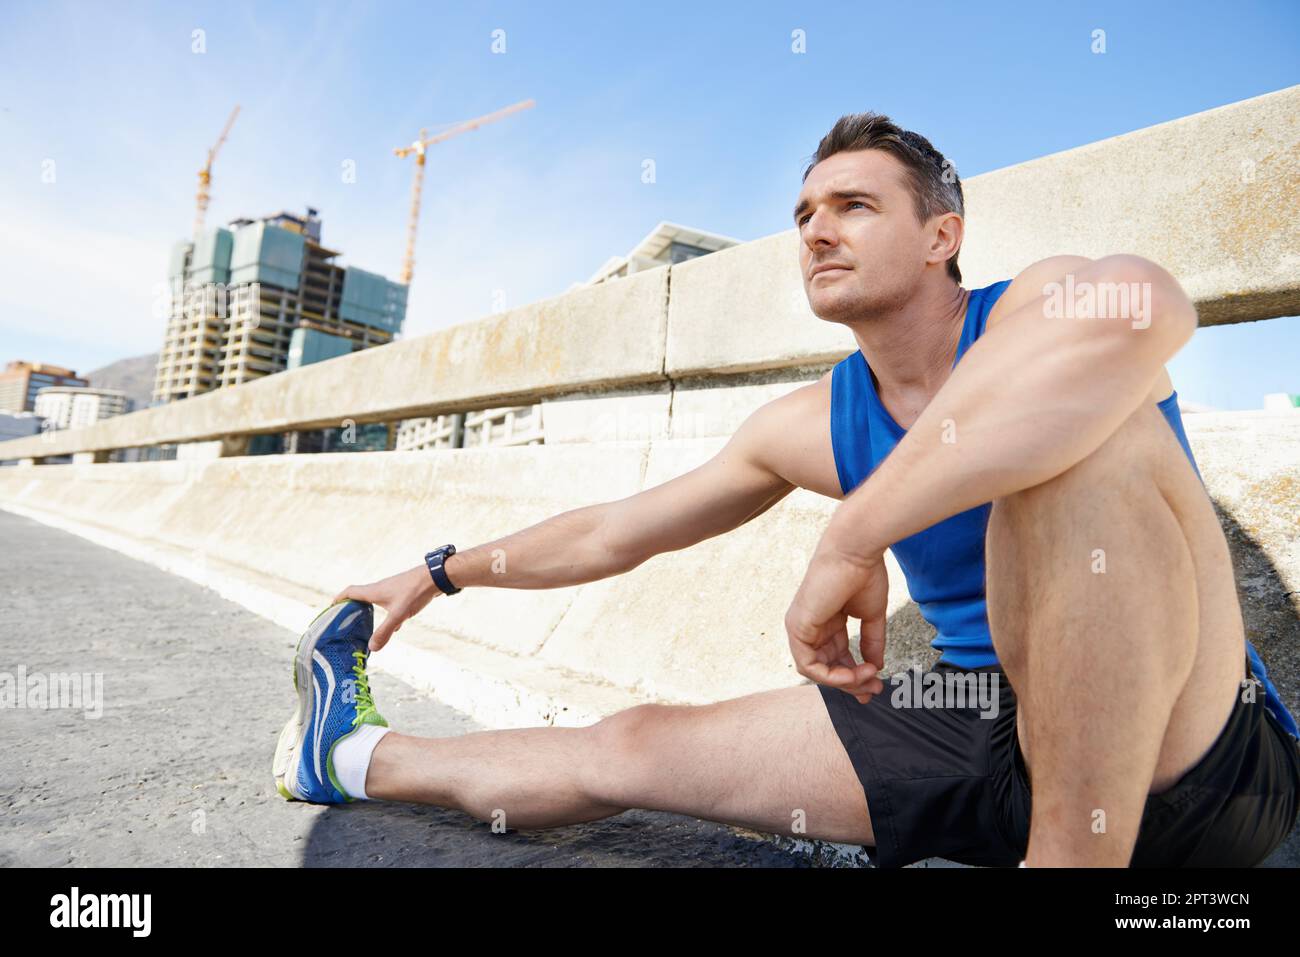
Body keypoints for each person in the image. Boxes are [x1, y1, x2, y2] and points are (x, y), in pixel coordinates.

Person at [275, 112, 1300, 868]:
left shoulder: (1036, 304)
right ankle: (352, 755)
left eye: (854, 205)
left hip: (1200, 754)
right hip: (979, 727)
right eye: (804, 213)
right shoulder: (809, 424)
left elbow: (1144, 308)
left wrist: (856, 532)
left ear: (941, 235)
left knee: (1086, 435)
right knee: (631, 746)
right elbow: (612, 533)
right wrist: (438, 570)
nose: (815, 230)